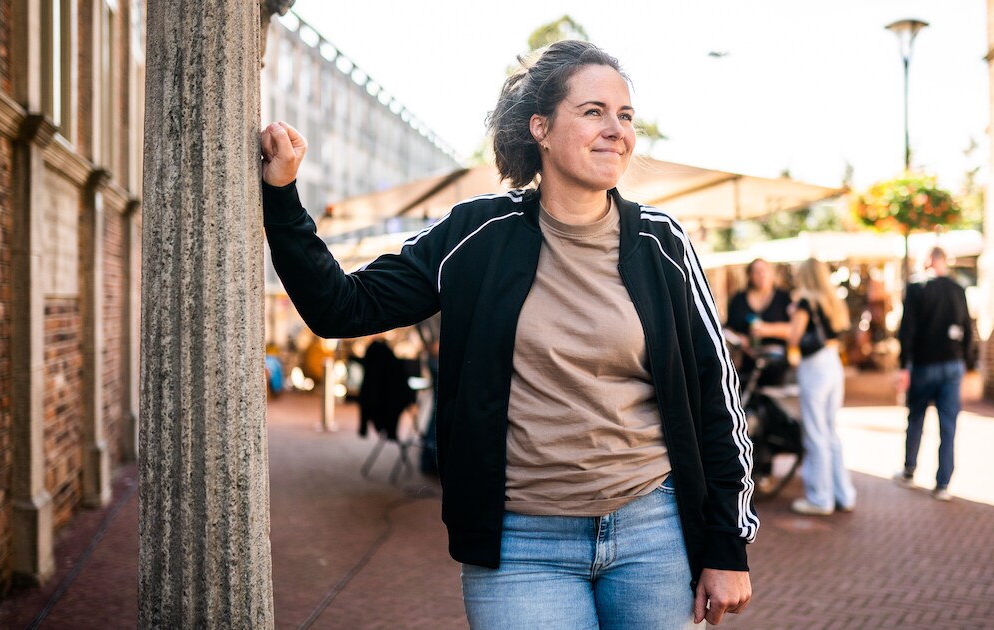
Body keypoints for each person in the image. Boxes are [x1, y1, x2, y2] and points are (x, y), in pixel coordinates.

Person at [260, 40, 753, 627]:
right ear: (539, 128)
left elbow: (714, 394)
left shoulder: (660, 241)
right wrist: (284, 197)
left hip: (653, 534)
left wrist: (726, 546)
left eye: (625, 116)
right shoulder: (477, 234)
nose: (616, 130)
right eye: (593, 111)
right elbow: (343, 308)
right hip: (521, 546)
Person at [893, 247, 973, 501]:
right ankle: (943, 483)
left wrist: (904, 363)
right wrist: (968, 362)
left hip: (924, 365)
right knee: (947, 426)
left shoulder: (916, 289)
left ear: (928, 261)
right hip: (952, 364)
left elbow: (907, 329)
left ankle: (909, 469)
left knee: (916, 418)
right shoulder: (958, 289)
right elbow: (969, 329)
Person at [786, 258, 856, 515]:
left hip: (814, 366)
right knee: (830, 432)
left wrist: (792, 316)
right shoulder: (833, 301)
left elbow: (794, 338)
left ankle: (820, 498)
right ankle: (844, 494)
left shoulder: (805, 302)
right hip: (833, 363)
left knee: (815, 433)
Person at [726, 258, 792, 386]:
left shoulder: (783, 298)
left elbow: (795, 330)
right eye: (756, 272)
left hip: (776, 364)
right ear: (749, 275)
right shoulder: (738, 299)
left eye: (764, 271)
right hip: (746, 363)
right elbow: (728, 328)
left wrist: (767, 330)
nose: (761, 275)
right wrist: (740, 339)